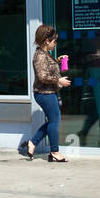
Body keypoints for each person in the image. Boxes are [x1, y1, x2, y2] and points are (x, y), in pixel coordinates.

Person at [24, 24, 69, 161]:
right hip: (44, 93)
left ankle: (33, 143)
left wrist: (59, 61)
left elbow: (48, 69)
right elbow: (42, 76)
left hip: (48, 92)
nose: (55, 43)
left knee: (53, 121)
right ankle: (54, 152)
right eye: (54, 41)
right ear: (46, 41)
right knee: (55, 121)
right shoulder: (40, 56)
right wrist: (59, 80)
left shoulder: (45, 54)